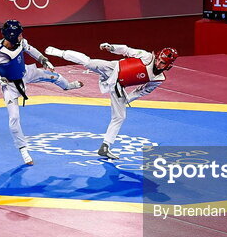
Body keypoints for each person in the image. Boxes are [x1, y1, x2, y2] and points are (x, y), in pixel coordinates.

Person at [44, 43, 178, 159]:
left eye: (163, 64)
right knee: (88, 62)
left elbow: (142, 90)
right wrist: (112, 47)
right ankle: (59, 52)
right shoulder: (147, 56)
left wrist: (127, 99)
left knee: (120, 116)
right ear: (158, 56)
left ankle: (105, 146)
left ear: (169, 66)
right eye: (159, 60)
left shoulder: (158, 79)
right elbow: (126, 50)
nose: (159, 64)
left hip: (119, 85)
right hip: (113, 68)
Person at [0, 20, 83, 165]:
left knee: (53, 76)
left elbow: (30, 49)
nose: (22, 36)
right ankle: (23, 149)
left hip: (26, 73)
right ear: (11, 36)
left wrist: (43, 59)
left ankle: (67, 86)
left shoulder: (21, 42)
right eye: (19, 34)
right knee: (14, 118)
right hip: (10, 85)